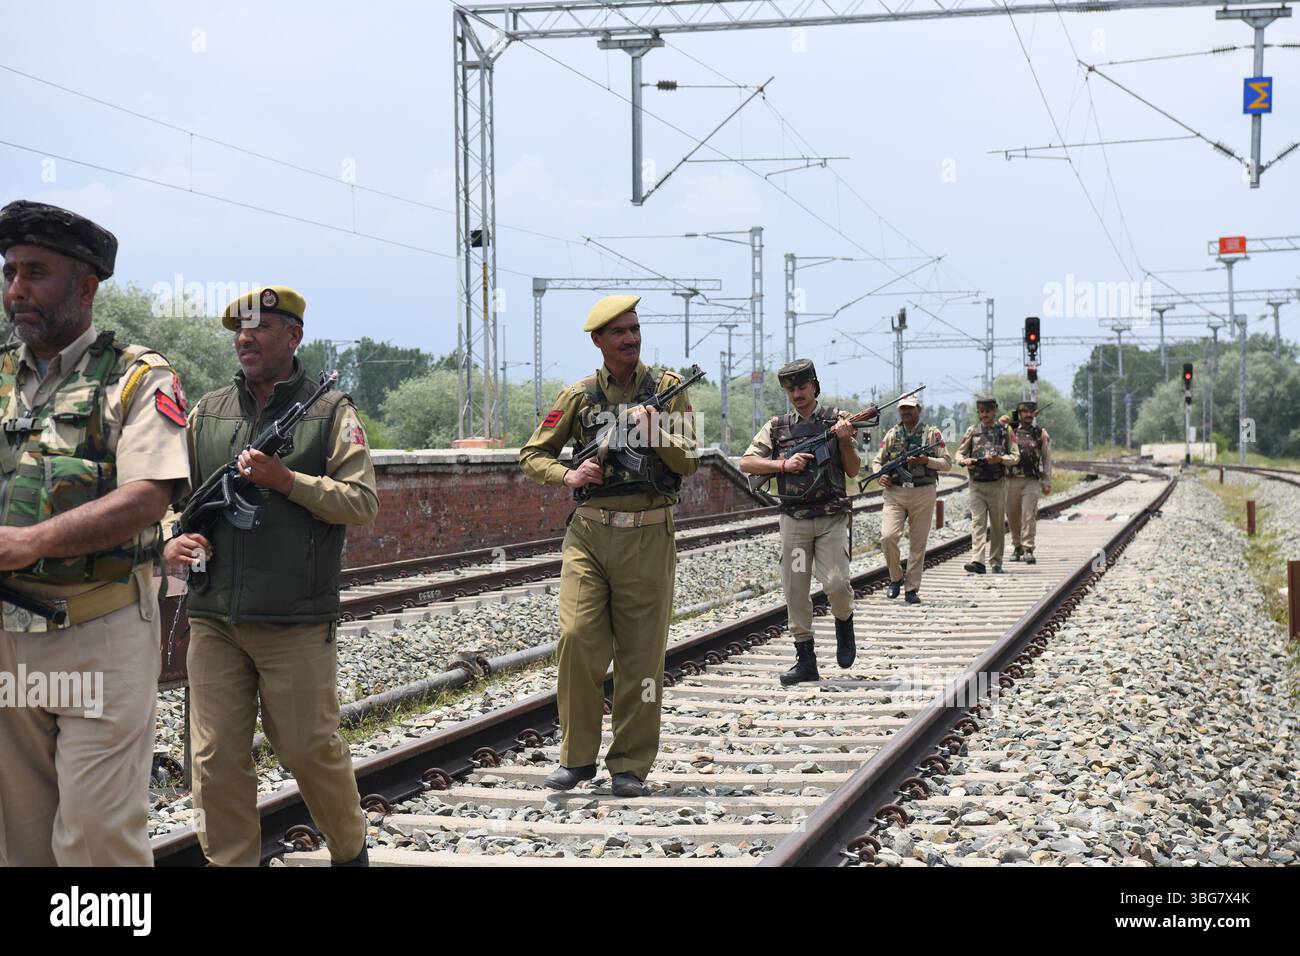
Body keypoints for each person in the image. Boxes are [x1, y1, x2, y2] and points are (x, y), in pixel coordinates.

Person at [0, 200, 190, 866]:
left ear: (85, 285)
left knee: (94, 841)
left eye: (35, 272)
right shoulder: (1, 378)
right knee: (18, 840)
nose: (15, 289)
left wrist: (30, 542)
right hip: (6, 638)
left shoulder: (136, 377)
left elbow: (149, 495)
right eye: (9, 271)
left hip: (97, 633)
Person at [163, 286, 379, 866]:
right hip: (214, 618)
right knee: (215, 758)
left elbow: (360, 502)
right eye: (239, 328)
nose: (246, 338)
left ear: (294, 335)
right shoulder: (207, 413)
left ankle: (350, 848)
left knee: (309, 748)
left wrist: (288, 482)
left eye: (261, 326)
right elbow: (167, 494)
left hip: (295, 617)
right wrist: (170, 536)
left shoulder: (330, 411)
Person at [519, 295, 698, 798]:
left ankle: (629, 765)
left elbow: (689, 460)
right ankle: (576, 759)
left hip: (648, 531)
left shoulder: (667, 391)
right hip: (590, 533)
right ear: (598, 340)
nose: (630, 338)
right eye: (618, 332)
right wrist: (569, 473)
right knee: (576, 638)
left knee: (642, 656)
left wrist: (654, 429)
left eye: (635, 329)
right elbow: (532, 454)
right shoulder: (576, 396)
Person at [740, 359, 875, 685]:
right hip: (795, 519)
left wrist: (844, 440)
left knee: (835, 583)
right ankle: (806, 660)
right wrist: (784, 465)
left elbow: (854, 471)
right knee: (796, 590)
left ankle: (844, 621)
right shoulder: (776, 426)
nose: (797, 394)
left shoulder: (837, 420)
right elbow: (747, 463)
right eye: (791, 389)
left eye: (802, 387)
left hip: (830, 517)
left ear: (815, 385)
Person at [870, 393, 952, 603]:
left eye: (910, 408)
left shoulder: (932, 435)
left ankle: (911, 588)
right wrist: (881, 475)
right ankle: (895, 577)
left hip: (923, 493)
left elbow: (947, 463)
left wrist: (927, 461)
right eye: (903, 409)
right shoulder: (892, 434)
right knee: (888, 537)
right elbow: (877, 462)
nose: (906, 412)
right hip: (895, 493)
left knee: (918, 543)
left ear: (919, 410)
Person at [957, 396, 1019, 574]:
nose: (985, 415)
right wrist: (965, 461)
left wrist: (1000, 459)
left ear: (995, 411)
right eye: (982, 412)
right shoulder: (972, 431)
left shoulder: (1005, 431)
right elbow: (959, 455)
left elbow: (1015, 456)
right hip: (976, 485)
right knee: (978, 523)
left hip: (997, 484)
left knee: (998, 524)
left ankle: (996, 561)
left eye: (988, 411)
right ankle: (978, 561)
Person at [1007, 401, 1051, 564]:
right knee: (1012, 516)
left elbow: (1047, 458)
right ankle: (1016, 545)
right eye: (1024, 412)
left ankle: (1028, 548)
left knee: (1028, 515)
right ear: (1018, 414)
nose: (1028, 415)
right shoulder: (1010, 431)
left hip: (1031, 481)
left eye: (1031, 412)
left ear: (1035, 414)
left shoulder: (1040, 433)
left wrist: (1047, 481)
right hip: (1010, 480)